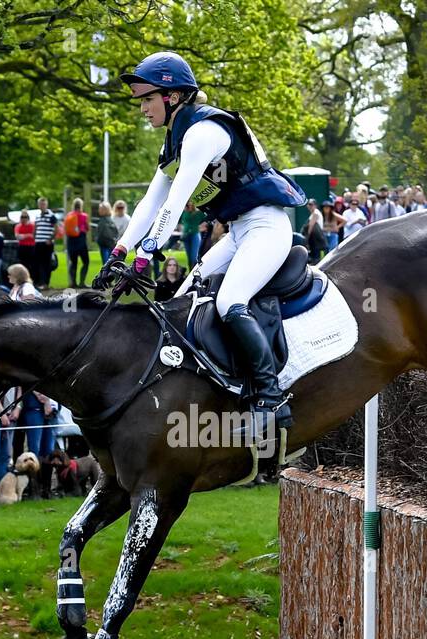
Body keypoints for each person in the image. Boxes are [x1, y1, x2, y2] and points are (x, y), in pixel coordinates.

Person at [95, 51, 308, 442]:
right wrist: (120, 251)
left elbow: (176, 202)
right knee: (185, 294)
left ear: (172, 96)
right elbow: (150, 202)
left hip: (267, 226)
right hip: (238, 230)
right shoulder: (175, 138)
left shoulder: (202, 133)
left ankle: (270, 400)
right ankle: (218, 392)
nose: (143, 108)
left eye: (147, 99)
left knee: (230, 301)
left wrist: (146, 255)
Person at [32, 197, 60, 289]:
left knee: (46, 263)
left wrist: (50, 239)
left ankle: (45, 283)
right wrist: (34, 237)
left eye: (43, 204)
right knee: (37, 263)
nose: (42, 206)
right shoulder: (37, 216)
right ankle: (39, 282)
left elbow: (56, 229)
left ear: (46, 205)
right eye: (40, 204)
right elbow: (36, 228)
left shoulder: (51, 215)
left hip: (47, 243)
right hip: (38, 242)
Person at [64, 198, 91, 287]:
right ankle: (82, 282)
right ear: (81, 206)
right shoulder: (84, 216)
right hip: (81, 241)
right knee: (86, 261)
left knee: (73, 262)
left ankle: (73, 283)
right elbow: (87, 228)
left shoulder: (69, 215)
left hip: (71, 241)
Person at [93, 202, 121, 268]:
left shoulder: (103, 221)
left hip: (105, 245)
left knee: (107, 265)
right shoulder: (110, 220)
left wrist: (98, 241)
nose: (99, 210)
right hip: (111, 244)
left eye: (100, 209)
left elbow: (101, 234)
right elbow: (116, 232)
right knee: (111, 263)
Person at [14, 210, 36, 281]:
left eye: (25, 217)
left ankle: (32, 279)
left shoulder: (32, 225)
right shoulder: (18, 226)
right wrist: (28, 235)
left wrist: (24, 236)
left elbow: (34, 236)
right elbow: (18, 236)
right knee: (23, 264)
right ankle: (23, 279)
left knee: (32, 264)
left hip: (31, 247)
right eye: (22, 217)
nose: (23, 219)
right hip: (22, 246)